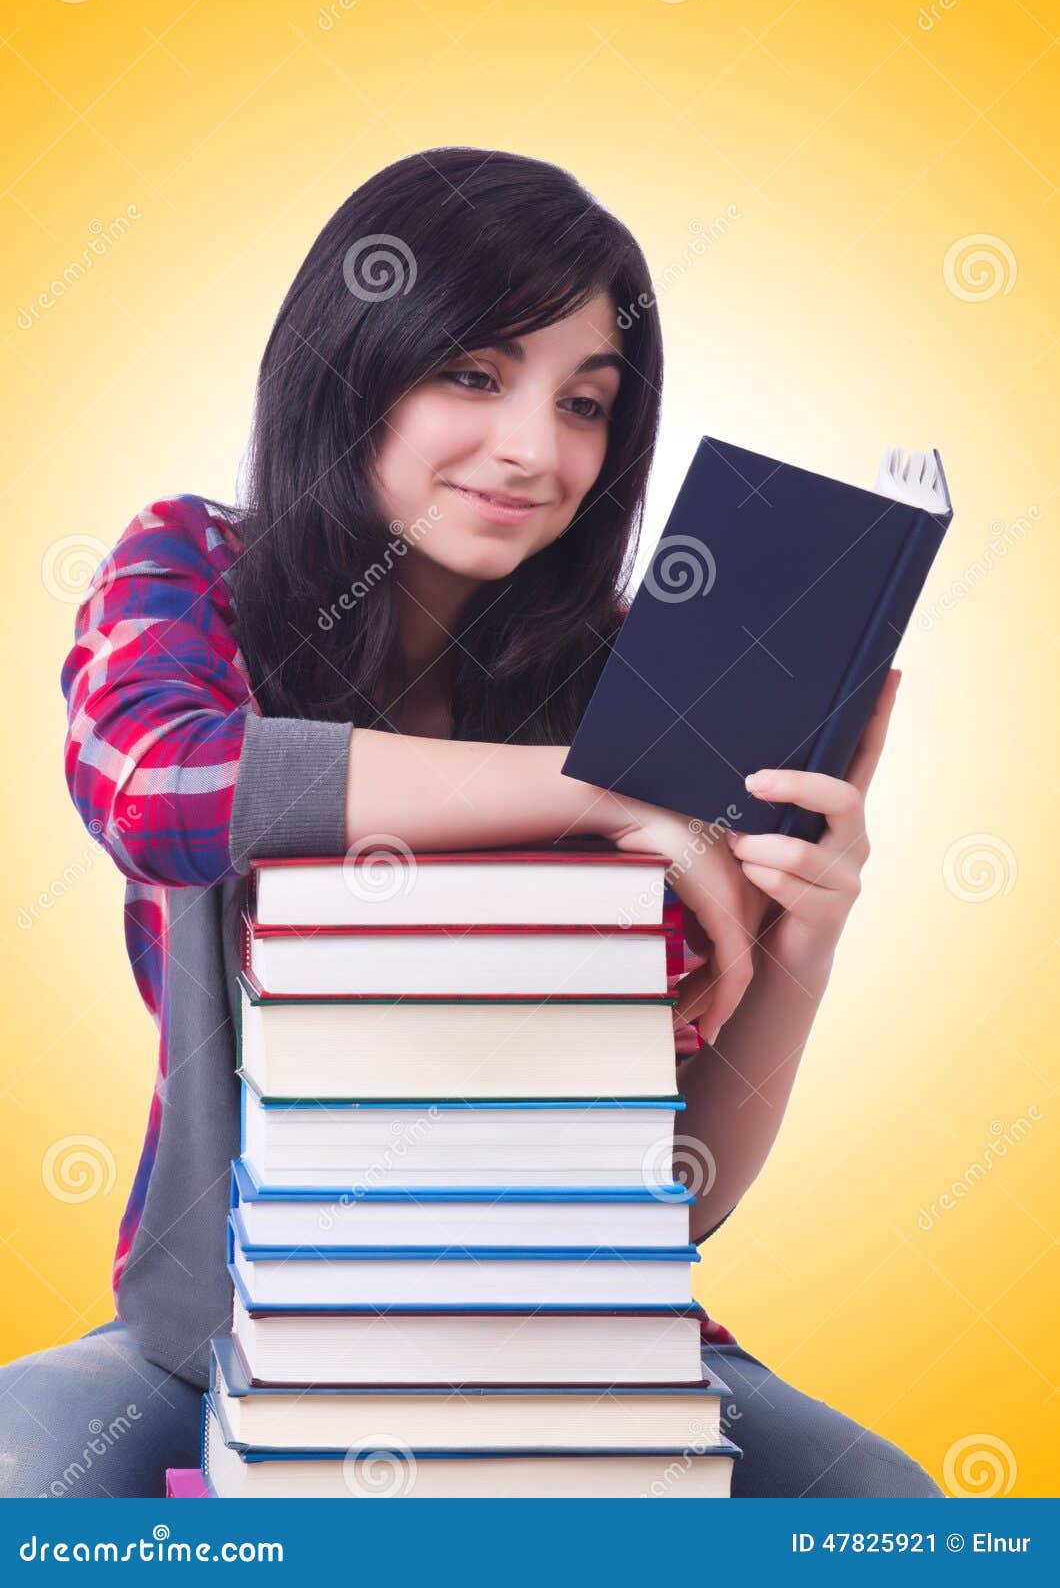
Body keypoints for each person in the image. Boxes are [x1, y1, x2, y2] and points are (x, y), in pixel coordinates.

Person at [1, 147, 943, 1499]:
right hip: (224, 1340)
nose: (534, 450)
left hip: (581, 1345)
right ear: (352, 368)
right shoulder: (194, 568)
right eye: (473, 373)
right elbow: (160, 786)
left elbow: (674, 1192)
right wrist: (607, 785)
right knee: (24, 1469)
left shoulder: (639, 672)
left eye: (586, 404)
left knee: (883, 1508)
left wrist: (807, 933)